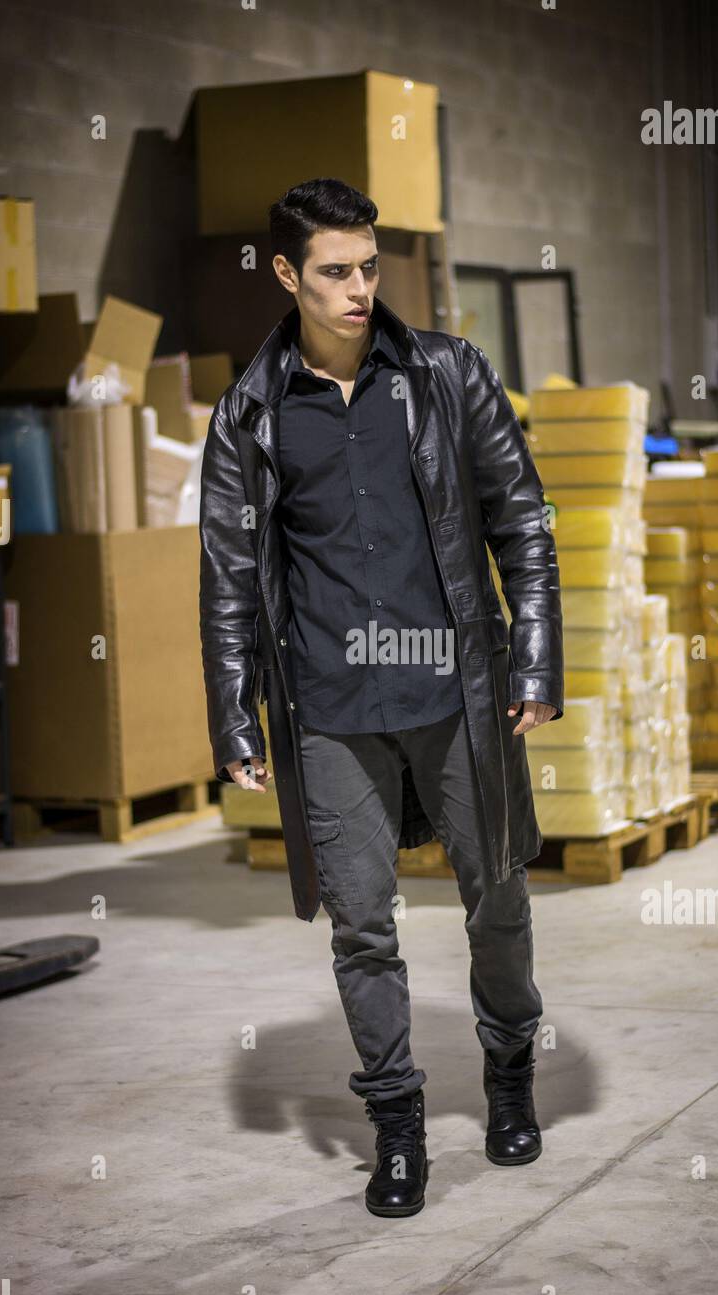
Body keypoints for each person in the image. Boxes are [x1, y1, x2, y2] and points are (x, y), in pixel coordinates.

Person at [198, 177, 564, 1218]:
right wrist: (234, 715)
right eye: (334, 272)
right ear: (286, 275)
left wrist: (532, 664)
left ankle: (507, 1078)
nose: (359, 289)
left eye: (369, 267)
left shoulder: (448, 374)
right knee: (361, 925)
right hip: (326, 709)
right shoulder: (251, 414)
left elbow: (521, 525)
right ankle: (395, 1125)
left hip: (457, 693)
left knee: (495, 898)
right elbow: (227, 576)